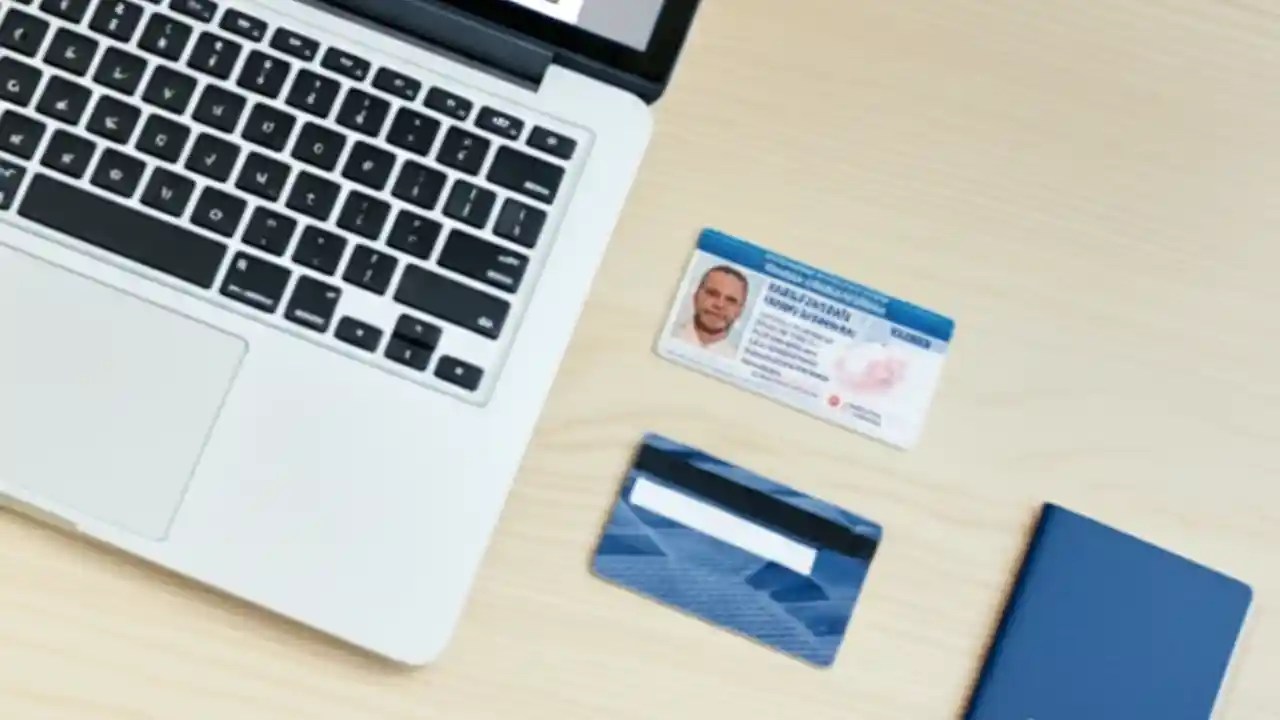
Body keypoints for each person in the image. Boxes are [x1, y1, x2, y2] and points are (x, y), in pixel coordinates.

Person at [673, 265, 750, 358]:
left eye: (731, 300)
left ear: (740, 311)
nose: (719, 305)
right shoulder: (671, 335)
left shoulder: (736, 360)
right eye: (712, 294)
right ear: (696, 296)